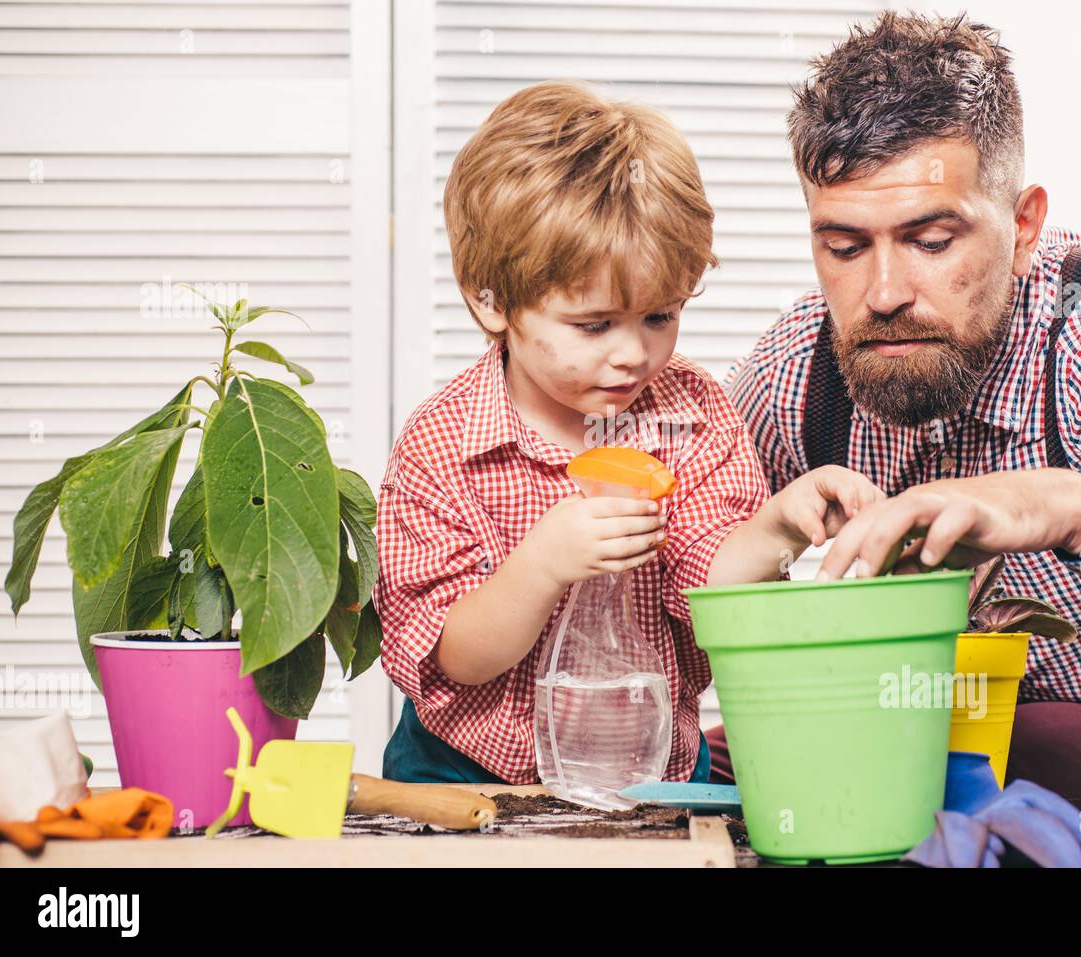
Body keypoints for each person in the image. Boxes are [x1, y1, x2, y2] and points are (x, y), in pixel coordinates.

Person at [713, 11, 1081, 866]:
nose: (882, 292)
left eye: (931, 240)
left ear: (1022, 226)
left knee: (987, 767)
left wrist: (1070, 506)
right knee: (727, 764)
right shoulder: (800, 368)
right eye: (842, 245)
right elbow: (697, 592)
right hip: (929, 720)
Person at [372, 82, 878, 787]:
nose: (632, 353)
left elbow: (709, 587)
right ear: (491, 300)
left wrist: (777, 529)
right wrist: (541, 563)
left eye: (659, 316)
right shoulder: (443, 443)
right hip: (463, 774)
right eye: (594, 324)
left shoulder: (691, 416)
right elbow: (456, 656)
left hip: (652, 773)